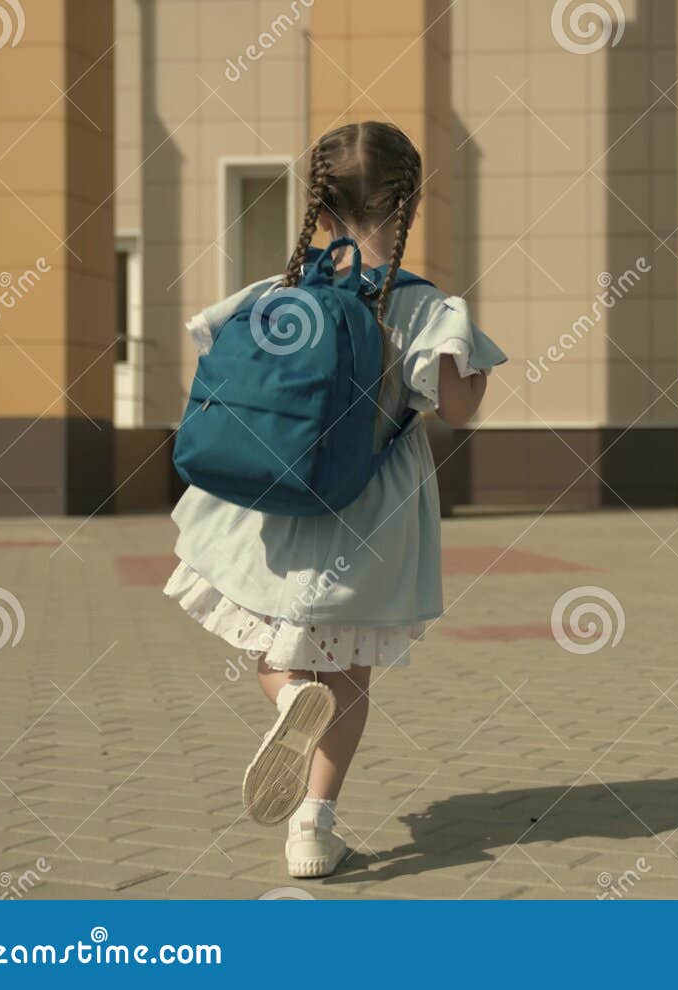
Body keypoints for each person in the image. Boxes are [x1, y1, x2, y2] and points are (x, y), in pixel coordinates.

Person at [163, 121, 505, 878]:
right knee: (349, 677)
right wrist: (477, 376)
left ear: (317, 211)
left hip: (273, 504)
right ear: (409, 203)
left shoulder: (278, 291)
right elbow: (455, 406)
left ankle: (287, 699)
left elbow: (213, 347)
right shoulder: (424, 308)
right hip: (368, 515)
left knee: (270, 648)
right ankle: (312, 829)